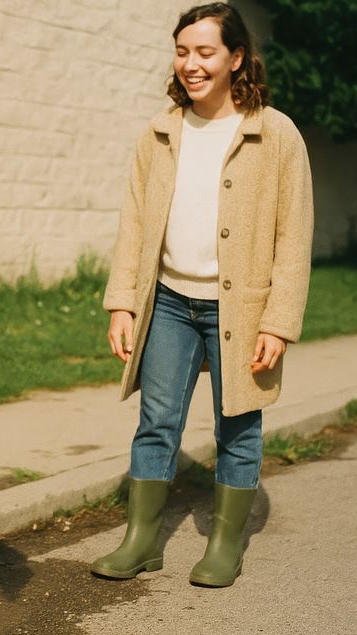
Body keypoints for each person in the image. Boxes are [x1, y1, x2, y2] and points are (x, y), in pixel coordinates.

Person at [92, 2, 313, 588]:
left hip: (241, 310)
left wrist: (278, 322)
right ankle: (141, 540)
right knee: (156, 423)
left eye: (206, 52)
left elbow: (294, 236)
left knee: (238, 425)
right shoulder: (160, 132)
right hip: (167, 303)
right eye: (183, 51)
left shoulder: (277, 133)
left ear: (236, 57)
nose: (191, 64)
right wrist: (123, 301)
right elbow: (135, 222)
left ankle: (224, 544)